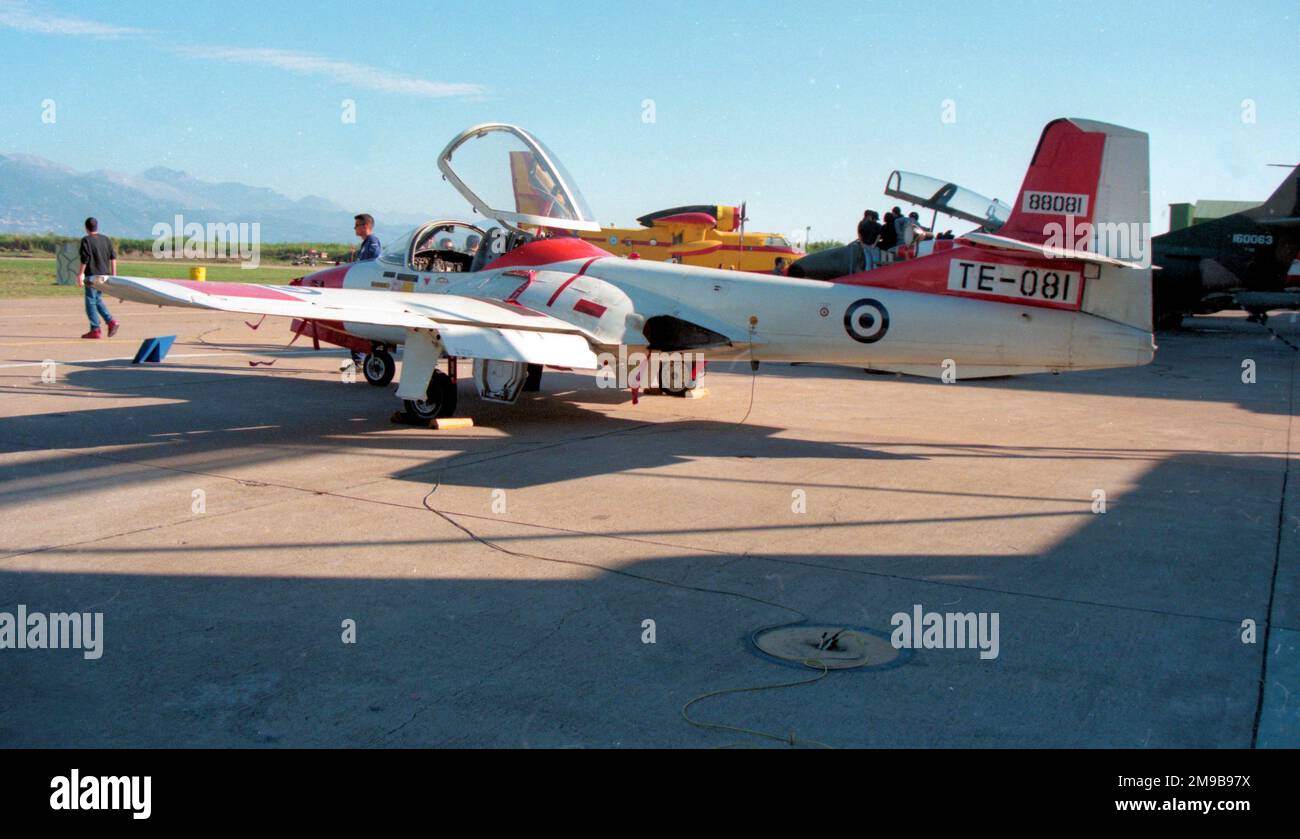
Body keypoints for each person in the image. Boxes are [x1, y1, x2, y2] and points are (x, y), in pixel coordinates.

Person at [345, 214, 381, 371]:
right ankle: (358, 361)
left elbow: (374, 265)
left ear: (366, 226)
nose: (355, 228)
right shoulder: (366, 243)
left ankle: (360, 361)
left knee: (358, 327)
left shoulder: (372, 243)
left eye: (357, 225)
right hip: (362, 293)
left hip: (367, 294)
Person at [75, 217, 120, 339]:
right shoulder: (105, 239)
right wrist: (114, 275)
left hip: (92, 276)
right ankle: (111, 322)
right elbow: (113, 257)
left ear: (86, 228)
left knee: (90, 301)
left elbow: (85, 258)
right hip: (104, 275)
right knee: (97, 300)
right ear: (97, 226)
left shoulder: (86, 240)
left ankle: (95, 329)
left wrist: (80, 274)